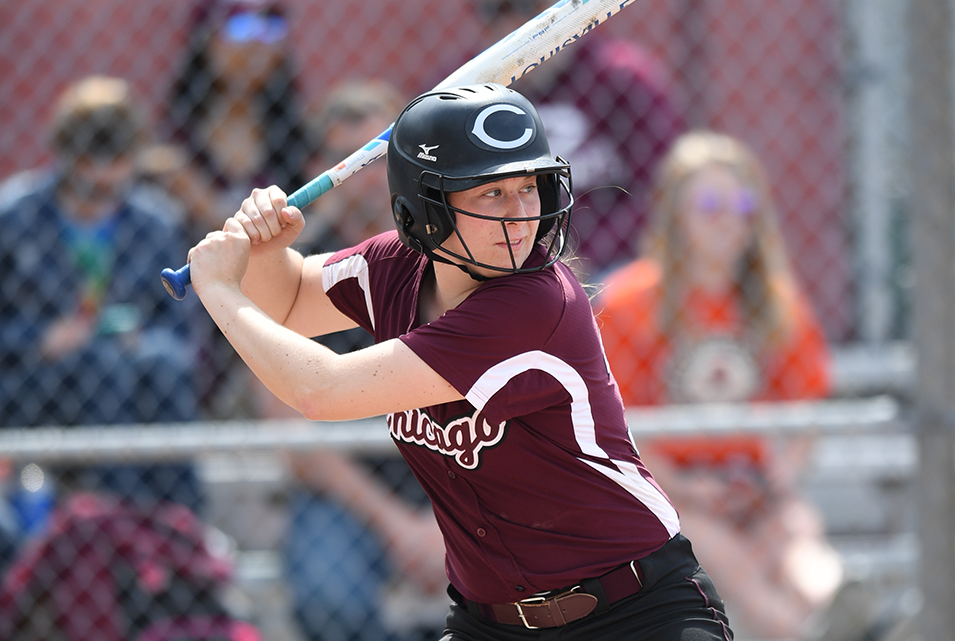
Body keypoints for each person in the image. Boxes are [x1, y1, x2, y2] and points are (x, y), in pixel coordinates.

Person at [186, 83, 733, 640]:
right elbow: (290, 301)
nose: (520, 216)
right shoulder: (395, 268)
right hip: (490, 624)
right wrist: (264, 250)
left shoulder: (535, 303)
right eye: (490, 194)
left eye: (530, 187)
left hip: (635, 613)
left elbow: (320, 392)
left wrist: (222, 290)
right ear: (425, 209)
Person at [594, 130, 842, 638]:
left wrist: (780, 477)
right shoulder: (630, 302)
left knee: (796, 538)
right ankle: (819, 629)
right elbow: (615, 425)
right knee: (727, 557)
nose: (728, 218)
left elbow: (808, 411)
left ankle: (836, 602)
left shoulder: (774, 301)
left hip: (752, 482)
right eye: (709, 203)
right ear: (675, 216)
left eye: (742, 202)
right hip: (669, 490)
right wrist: (686, 487)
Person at [260, 78, 451, 641]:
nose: (365, 181)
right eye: (349, 161)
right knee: (329, 598)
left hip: (462, 470)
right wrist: (395, 525)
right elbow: (292, 436)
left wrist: (441, 518)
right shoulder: (288, 271)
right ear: (322, 170)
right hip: (349, 490)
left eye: (378, 157)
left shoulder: (455, 256)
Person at [0, 76, 203, 522]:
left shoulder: (155, 222)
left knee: (160, 366)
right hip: (37, 382)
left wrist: (141, 339)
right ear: (67, 161)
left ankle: (185, 526)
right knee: (101, 365)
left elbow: (181, 334)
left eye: (115, 180)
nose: (102, 194)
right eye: (90, 183)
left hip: (135, 373)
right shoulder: (13, 218)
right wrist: (40, 338)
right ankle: (126, 521)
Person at [452, 0, 687, 281]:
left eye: (527, 4)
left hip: (614, 266)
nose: (512, 25)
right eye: (495, 8)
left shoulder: (621, 79)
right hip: (504, 266)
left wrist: (586, 258)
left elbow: (662, 186)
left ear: (565, 8)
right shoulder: (464, 94)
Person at [161, 0, 312, 421]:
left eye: (271, 31)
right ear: (205, 40)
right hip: (195, 296)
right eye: (240, 29)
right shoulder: (178, 143)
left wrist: (203, 201)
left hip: (275, 284)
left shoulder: (294, 139)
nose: (256, 46)